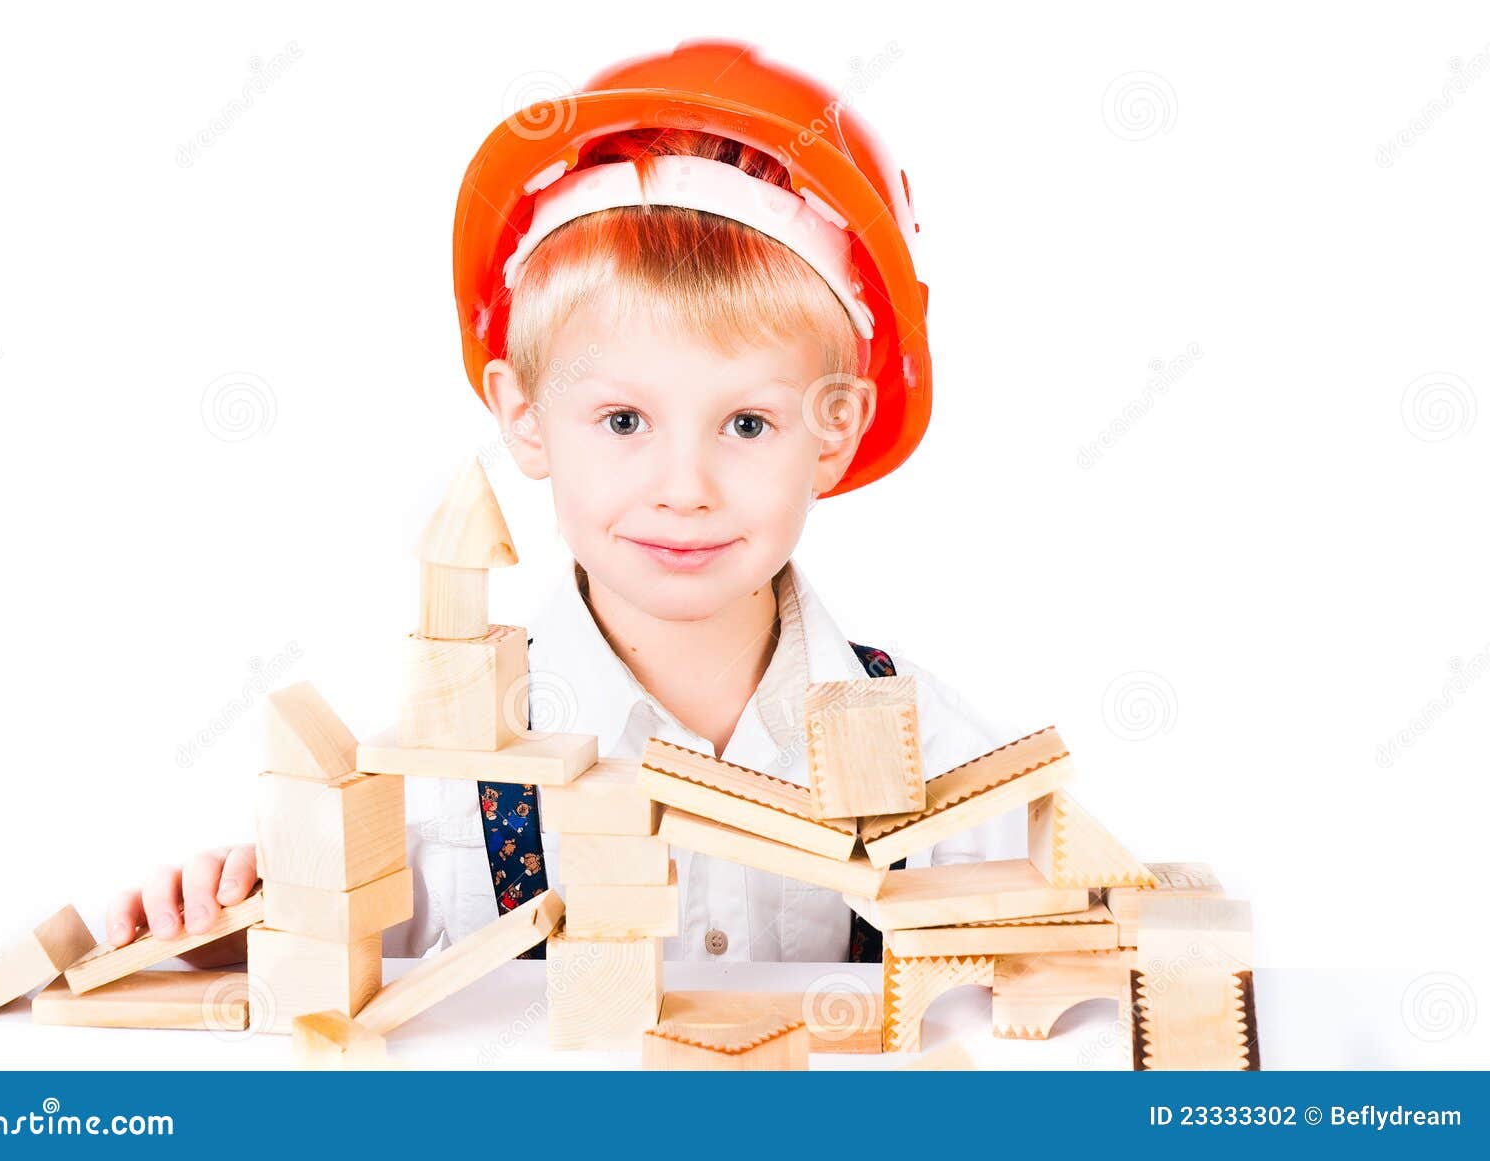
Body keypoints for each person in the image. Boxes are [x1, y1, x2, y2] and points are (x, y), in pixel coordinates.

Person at [104, 39, 1032, 967]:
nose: (684, 489)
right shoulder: (435, 787)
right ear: (525, 416)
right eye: (624, 418)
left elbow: (1060, 968)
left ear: (834, 428)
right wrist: (231, 935)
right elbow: (325, 975)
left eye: (747, 424)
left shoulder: (943, 760)